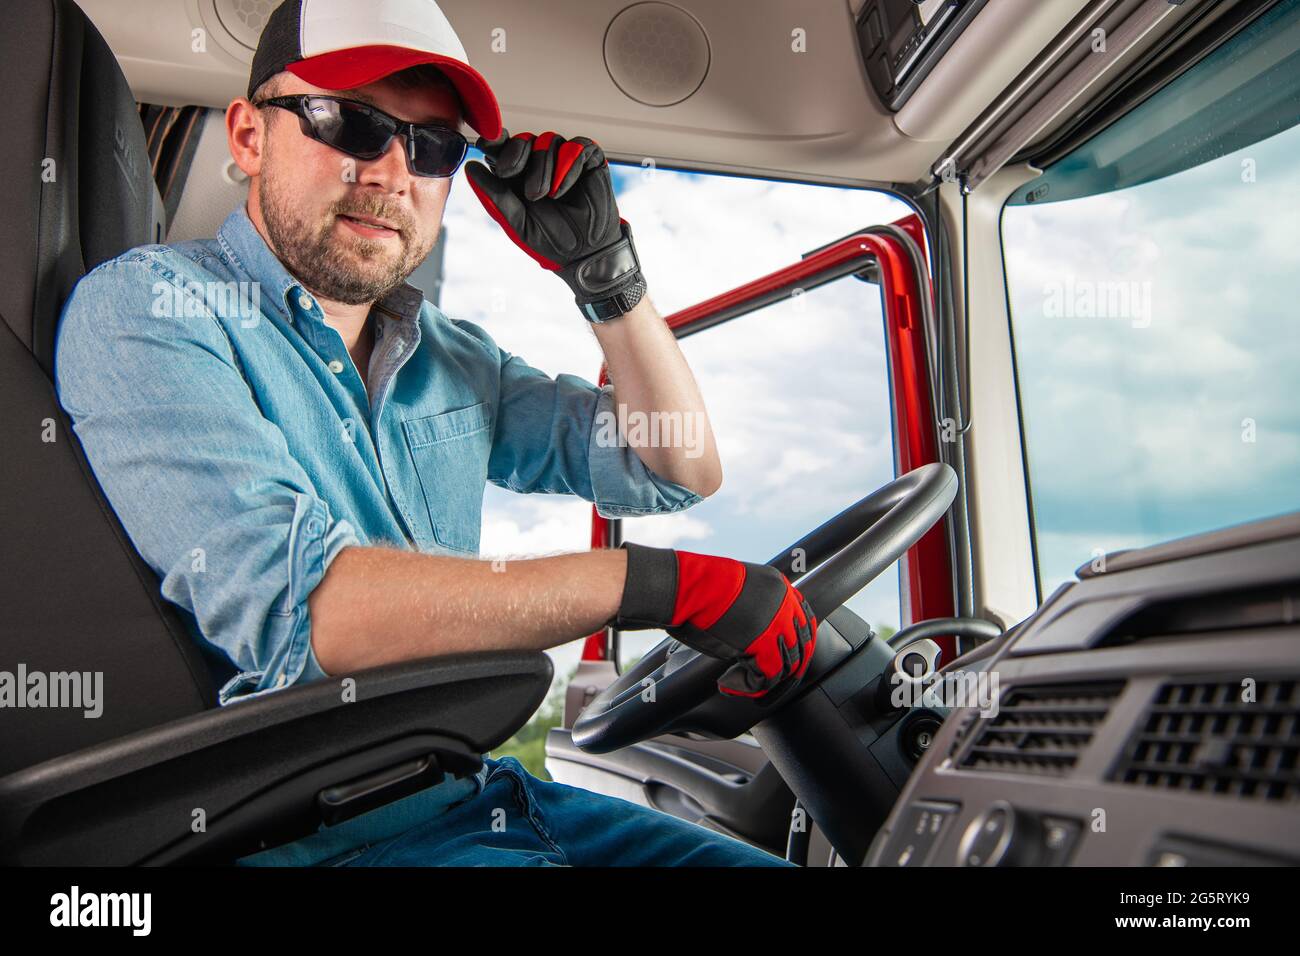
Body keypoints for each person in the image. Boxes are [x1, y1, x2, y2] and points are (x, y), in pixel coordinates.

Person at [54, 0, 816, 866]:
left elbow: (674, 465)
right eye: (349, 122)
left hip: (475, 791)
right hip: (308, 835)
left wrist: (607, 279)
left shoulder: (450, 354)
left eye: (433, 147)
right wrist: (655, 585)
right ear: (249, 136)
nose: (390, 173)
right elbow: (311, 615)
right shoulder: (151, 309)